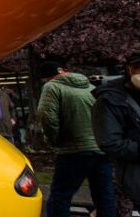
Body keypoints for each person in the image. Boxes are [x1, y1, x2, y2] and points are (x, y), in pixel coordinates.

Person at [37, 61, 116, 217]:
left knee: (61, 195)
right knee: (104, 195)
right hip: (100, 148)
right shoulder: (90, 88)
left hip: (73, 149)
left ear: (46, 78)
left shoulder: (52, 87)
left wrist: (53, 140)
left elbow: (47, 117)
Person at [92, 53, 140, 211]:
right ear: (129, 70)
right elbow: (110, 142)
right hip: (134, 175)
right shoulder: (110, 100)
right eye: (137, 68)